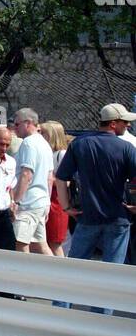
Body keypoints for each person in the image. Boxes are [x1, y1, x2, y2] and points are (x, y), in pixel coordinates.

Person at [55, 104, 136, 266]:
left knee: (76, 266)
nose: (128, 125)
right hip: (117, 216)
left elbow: (61, 177)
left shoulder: (79, 144)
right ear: (113, 123)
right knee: (113, 269)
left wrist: (66, 207)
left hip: (87, 215)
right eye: (124, 122)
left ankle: (73, 292)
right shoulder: (126, 147)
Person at [12, 107, 54, 255]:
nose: (14, 128)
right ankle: (56, 275)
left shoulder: (28, 143)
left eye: (17, 125)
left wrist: (16, 201)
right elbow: (49, 178)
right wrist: (47, 202)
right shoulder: (44, 144)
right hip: (40, 202)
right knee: (40, 245)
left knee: (20, 243)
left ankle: (21, 275)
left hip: (27, 204)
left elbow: (26, 174)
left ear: (28, 123)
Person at [39, 120, 72, 257]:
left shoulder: (61, 154)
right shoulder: (45, 152)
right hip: (46, 198)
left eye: (43, 133)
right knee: (44, 241)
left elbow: (68, 181)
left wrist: (50, 179)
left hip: (56, 201)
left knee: (54, 242)